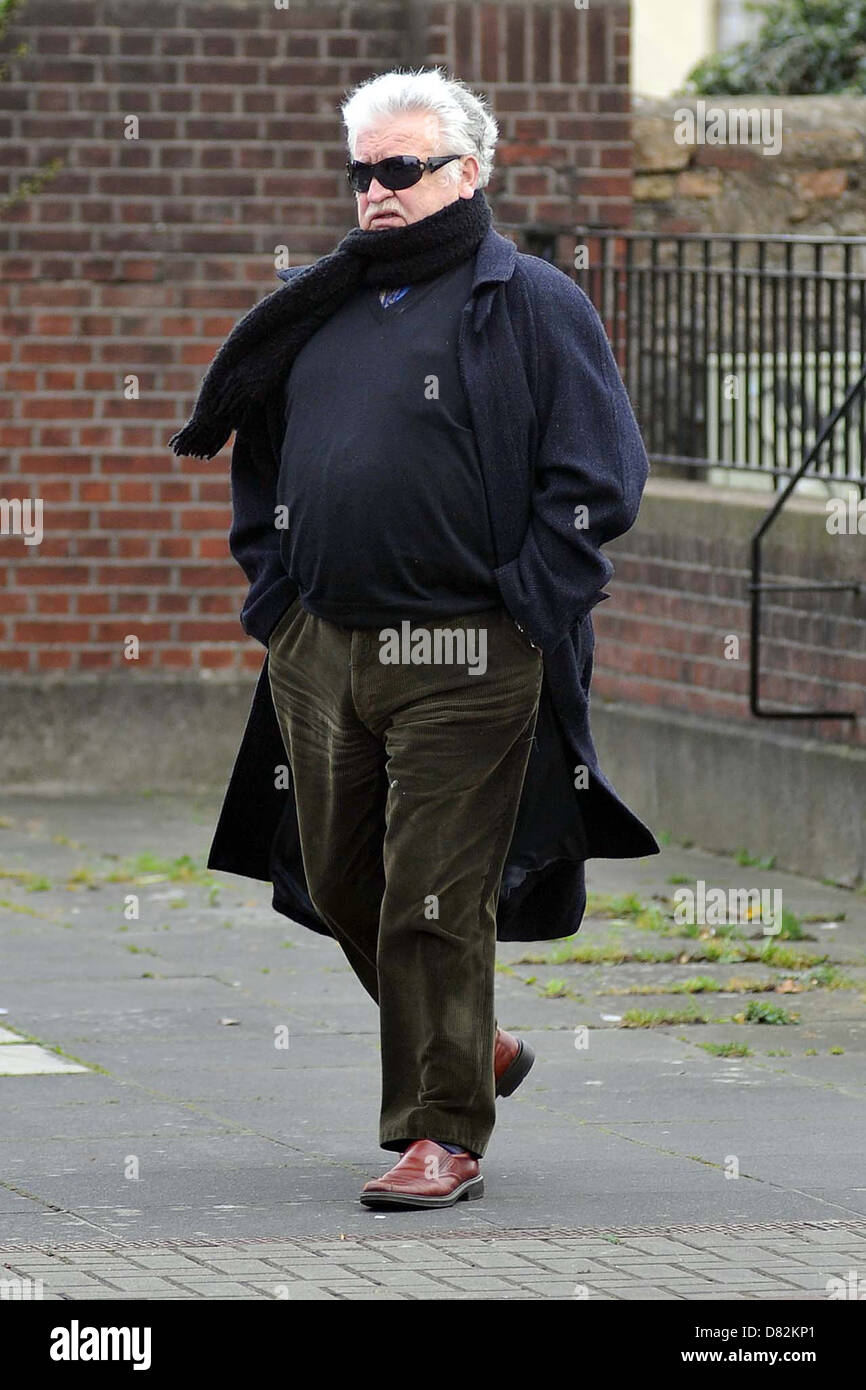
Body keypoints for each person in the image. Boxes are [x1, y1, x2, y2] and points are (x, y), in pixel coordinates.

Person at [169, 68, 659, 1211]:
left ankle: (439, 1133)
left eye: (401, 168)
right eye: (362, 172)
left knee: (432, 895)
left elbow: (600, 477)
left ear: (466, 172)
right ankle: (471, 1038)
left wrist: (526, 605)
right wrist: (276, 603)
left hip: (469, 655)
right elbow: (260, 465)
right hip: (320, 646)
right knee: (336, 877)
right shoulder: (318, 305)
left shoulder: (529, 302)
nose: (375, 191)